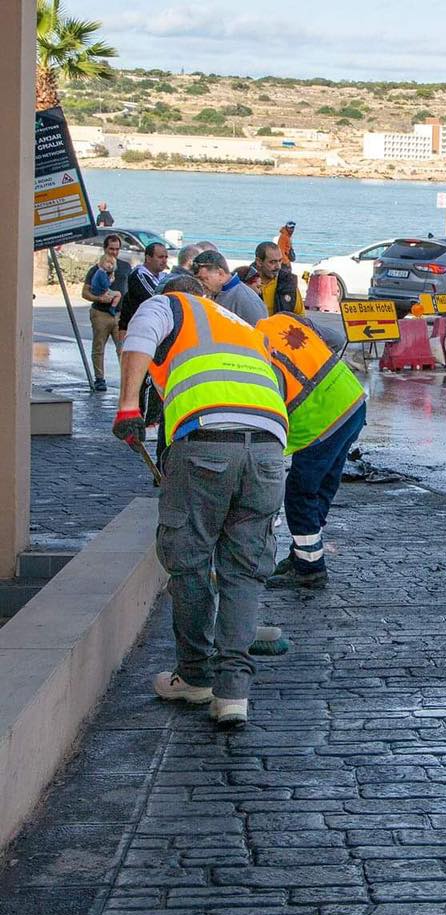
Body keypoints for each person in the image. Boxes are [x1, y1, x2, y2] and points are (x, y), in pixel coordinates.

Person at [112, 275, 289, 728]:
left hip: (206, 443)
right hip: (269, 450)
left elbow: (138, 338)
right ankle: (234, 695)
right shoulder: (242, 326)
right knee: (244, 569)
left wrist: (129, 406)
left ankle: (195, 677)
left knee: (188, 560)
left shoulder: (168, 305)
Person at [255, 311, 367, 589]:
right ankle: (304, 552)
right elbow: (337, 338)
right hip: (351, 402)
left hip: (320, 423)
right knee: (322, 485)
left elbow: (274, 400)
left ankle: (309, 568)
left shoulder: (255, 349)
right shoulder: (285, 319)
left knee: (300, 492)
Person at [80, 236, 127, 389]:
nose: (114, 252)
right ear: (105, 249)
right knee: (99, 347)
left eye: (117, 249)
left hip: (120, 315)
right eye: (111, 249)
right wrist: (99, 298)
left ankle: (128, 379)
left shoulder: (125, 267)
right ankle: (99, 379)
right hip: (100, 313)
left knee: (123, 348)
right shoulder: (96, 270)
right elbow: (85, 293)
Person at [192, 250, 268, 324]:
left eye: (203, 279)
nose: (200, 284)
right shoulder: (215, 292)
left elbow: (260, 333)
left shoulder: (248, 300)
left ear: (220, 273)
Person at [120, 242, 169, 332]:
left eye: (166, 257)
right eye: (160, 257)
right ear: (148, 258)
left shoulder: (163, 276)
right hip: (140, 327)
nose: (164, 260)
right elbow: (154, 297)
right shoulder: (139, 274)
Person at [253, 241, 304, 315]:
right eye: (272, 262)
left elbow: (300, 315)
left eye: (280, 261)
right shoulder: (246, 284)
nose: (278, 266)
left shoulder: (288, 283)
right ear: (259, 262)